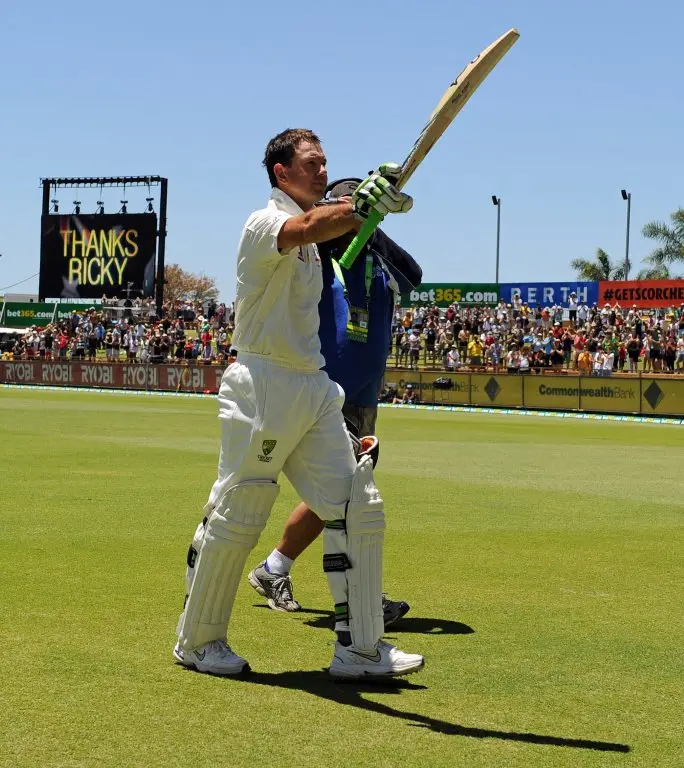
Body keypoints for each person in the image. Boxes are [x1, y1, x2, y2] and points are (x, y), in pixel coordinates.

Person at [173, 128, 424, 679]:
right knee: (240, 510)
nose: (321, 170)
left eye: (324, 162)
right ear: (281, 173)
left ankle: (360, 650)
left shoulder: (316, 244)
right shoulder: (266, 223)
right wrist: (358, 205)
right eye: (311, 163)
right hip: (262, 381)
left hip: (312, 385)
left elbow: (350, 238)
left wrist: (367, 211)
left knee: (357, 504)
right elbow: (311, 224)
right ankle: (200, 641)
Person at [245, 177, 423, 625]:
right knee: (346, 493)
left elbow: (414, 275)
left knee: (346, 492)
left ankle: (275, 569)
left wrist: (374, 221)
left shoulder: (378, 257)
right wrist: (347, 214)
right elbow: (309, 231)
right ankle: (358, 598)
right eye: (346, 204)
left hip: (366, 387)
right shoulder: (318, 256)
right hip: (330, 386)